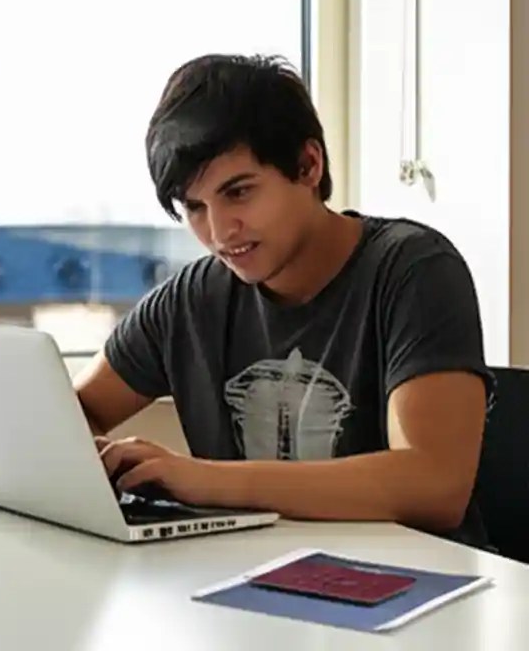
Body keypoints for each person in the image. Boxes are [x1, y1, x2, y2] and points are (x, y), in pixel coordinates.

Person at [74, 53, 494, 544]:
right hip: (257, 584)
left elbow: (434, 486)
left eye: (239, 192)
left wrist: (202, 479)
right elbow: (75, 412)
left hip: (420, 590)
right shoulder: (191, 300)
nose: (218, 232)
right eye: (194, 207)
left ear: (308, 165)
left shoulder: (414, 271)